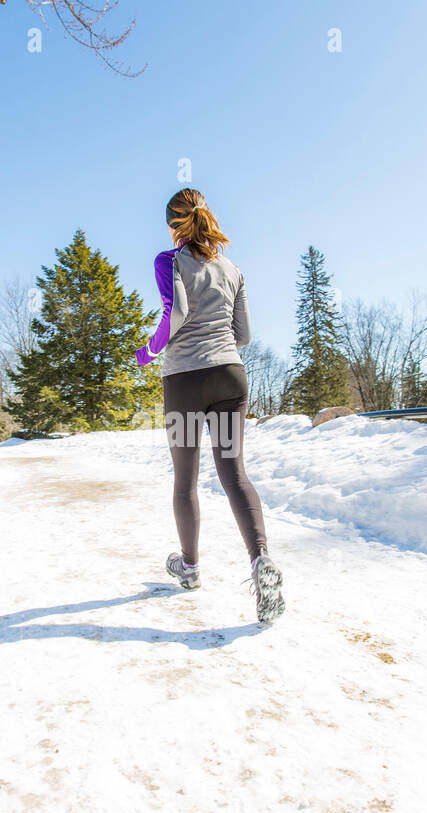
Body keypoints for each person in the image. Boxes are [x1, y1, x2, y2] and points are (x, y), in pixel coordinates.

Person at [136, 188, 285, 623]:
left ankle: (190, 567)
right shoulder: (232, 269)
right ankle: (261, 562)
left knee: (186, 478)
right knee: (234, 472)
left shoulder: (169, 261)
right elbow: (244, 335)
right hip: (229, 378)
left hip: (185, 381)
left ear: (173, 226)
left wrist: (148, 351)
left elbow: (175, 312)